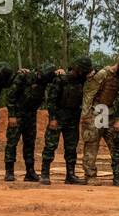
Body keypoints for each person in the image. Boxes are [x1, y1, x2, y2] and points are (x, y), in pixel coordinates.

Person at [81, 54, 119, 185]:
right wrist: (86, 115)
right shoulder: (103, 74)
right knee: (92, 143)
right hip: (99, 110)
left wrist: (118, 118)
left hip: (112, 112)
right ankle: (90, 175)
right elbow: (89, 94)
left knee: (117, 144)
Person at [3, 62, 62, 182]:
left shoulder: (47, 79)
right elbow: (10, 97)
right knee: (12, 143)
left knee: (30, 144)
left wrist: (61, 71)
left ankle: (30, 172)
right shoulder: (23, 77)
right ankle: (9, 172)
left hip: (31, 115)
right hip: (18, 114)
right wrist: (12, 115)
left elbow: (60, 78)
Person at [39, 56, 93, 185]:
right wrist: (52, 118)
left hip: (73, 118)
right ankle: (45, 174)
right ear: (79, 69)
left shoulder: (82, 80)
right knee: (50, 145)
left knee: (71, 148)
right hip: (58, 117)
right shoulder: (61, 80)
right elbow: (51, 101)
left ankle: (70, 175)